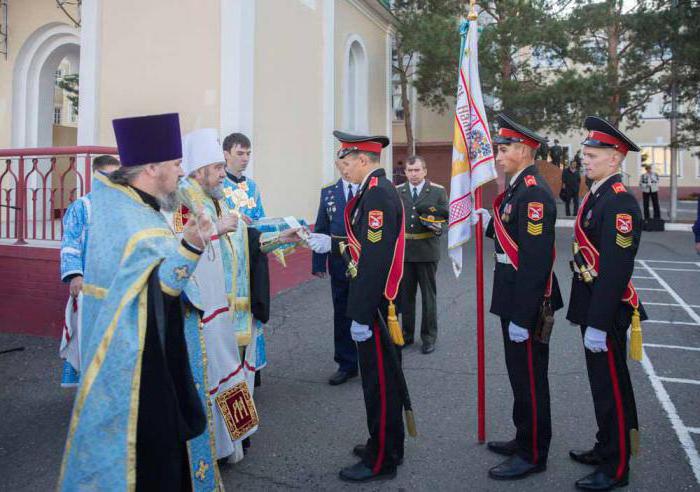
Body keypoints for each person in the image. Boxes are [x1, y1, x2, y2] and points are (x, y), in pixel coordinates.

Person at [59, 113, 214, 491]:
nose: (182, 172)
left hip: (145, 343)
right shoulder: (131, 218)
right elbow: (159, 288)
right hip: (139, 359)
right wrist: (192, 245)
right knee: (149, 455)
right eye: (177, 164)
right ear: (152, 167)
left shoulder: (124, 203)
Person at [172, 129, 300, 467]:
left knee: (235, 375)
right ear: (199, 171)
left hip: (236, 311)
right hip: (207, 314)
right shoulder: (182, 204)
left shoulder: (218, 199)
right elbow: (176, 251)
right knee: (214, 380)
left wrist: (281, 238)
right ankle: (213, 448)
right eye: (216, 168)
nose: (221, 175)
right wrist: (215, 229)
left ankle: (236, 440)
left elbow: (247, 243)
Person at [567, 116, 647, 491]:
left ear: (615, 159)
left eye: (593, 154)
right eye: (585, 152)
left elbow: (615, 270)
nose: (586, 159)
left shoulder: (619, 203)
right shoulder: (597, 194)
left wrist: (598, 323)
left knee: (611, 388)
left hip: (607, 310)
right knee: (601, 386)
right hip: (593, 303)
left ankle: (616, 468)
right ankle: (606, 447)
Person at [483, 114, 563, 481]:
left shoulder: (533, 193)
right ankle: (522, 437)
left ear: (524, 150)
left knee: (531, 378)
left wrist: (522, 315)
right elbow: (504, 235)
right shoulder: (517, 188)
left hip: (525, 300)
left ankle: (533, 454)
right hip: (510, 293)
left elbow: (533, 261)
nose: (498, 155)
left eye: (503, 149)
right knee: (519, 376)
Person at [333, 131, 410, 483]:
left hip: (378, 308)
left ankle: (382, 460)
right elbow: (363, 244)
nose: (342, 168)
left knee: (380, 384)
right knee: (381, 383)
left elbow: (375, 260)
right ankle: (384, 445)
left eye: (346, 162)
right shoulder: (374, 191)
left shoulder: (377, 195)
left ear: (364, 161)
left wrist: (360, 314)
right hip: (378, 304)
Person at [59, 155, 120, 387]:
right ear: (97, 176)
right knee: (90, 338)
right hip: (91, 286)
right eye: (109, 176)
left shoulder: (125, 207)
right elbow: (70, 242)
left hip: (119, 286)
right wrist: (75, 274)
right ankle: (89, 390)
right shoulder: (82, 207)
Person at [308, 160, 360, 385]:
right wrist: (318, 263)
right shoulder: (329, 192)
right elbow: (321, 228)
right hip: (339, 264)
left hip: (364, 262)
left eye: (348, 163)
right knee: (342, 314)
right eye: (341, 164)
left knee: (367, 312)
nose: (344, 168)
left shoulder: (369, 189)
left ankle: (371, 362)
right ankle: (346, 364)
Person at [396, 155, 448, 354]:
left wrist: (436, 226)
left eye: (417, 170)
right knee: (406, 297)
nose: (413, 174)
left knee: (428, 297)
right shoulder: (398, 191)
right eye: (409, 171)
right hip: (406, 252)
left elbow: (446, 216)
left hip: (427, 250)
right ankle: (407, 335)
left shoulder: (437, 190)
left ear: (425, 171)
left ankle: (428, 337)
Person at [222, 132, 265, 224]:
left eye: (248, 154)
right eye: (240, 153)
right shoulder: (218, 183)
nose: (246, 158)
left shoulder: (252, 186)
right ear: (226, 155)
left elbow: (260, 220)